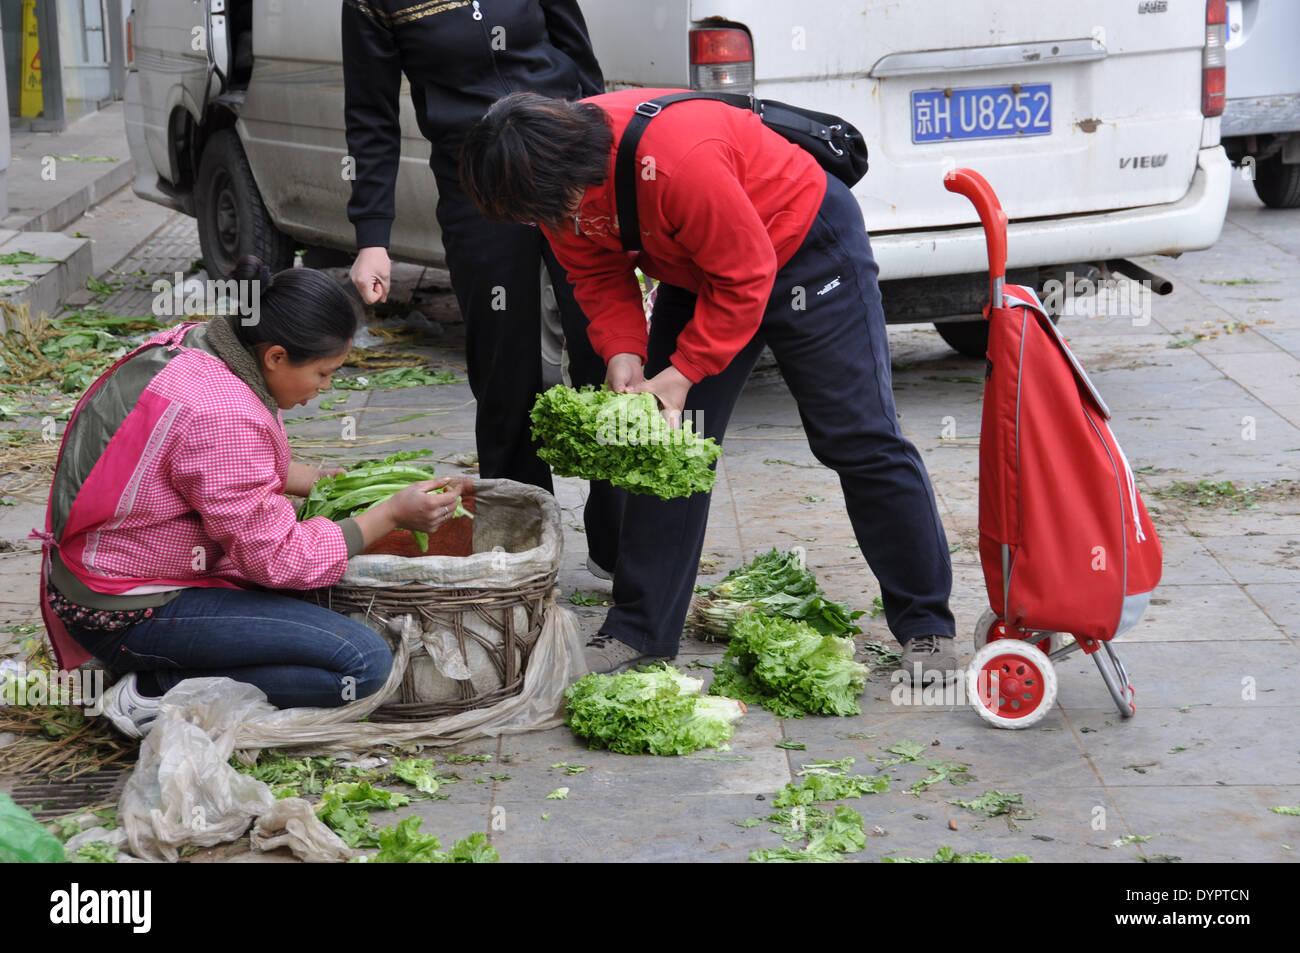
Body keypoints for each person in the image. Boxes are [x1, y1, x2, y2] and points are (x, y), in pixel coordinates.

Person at [460, 90, 959, 681]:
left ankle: (926, 625)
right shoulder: (550, 187)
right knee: (664, 445)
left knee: (857, 436)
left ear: (569, 169)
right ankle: (639, 630)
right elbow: (594, 270)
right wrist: (625, 354)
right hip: (699, 268)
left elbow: (746, 278)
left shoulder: (677, 159)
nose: (542, 224)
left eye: (543, 210)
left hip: (805, 251)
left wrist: (684, 372)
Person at [33, 256, 471, 738]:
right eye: (324, 373)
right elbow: (279, 560)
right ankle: (154, 688)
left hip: (98, 576)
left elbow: (200, 464)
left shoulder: (206, 345)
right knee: (363, 664)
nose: (325, 389)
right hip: (127, 609)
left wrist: (318, 479)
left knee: (318, 606)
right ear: (276, 357)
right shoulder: (225, 413)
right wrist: (389, 512)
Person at [341, 0, 622, 578]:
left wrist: (606, 166)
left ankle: (620, 541)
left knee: (607, 346)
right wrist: (373, 236)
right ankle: (521, 541)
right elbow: (369, 114)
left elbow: (581, 62)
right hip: (478, 185)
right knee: (503, 367)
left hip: (563, 163)